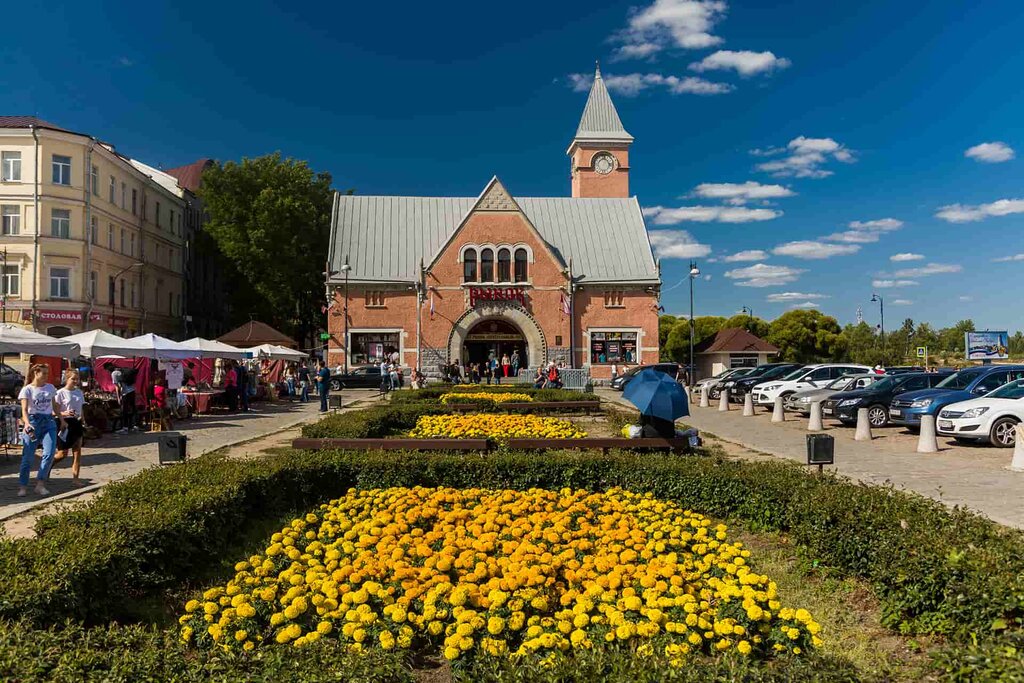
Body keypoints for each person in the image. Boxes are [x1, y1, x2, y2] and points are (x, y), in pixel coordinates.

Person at [17, 364, 65, 497]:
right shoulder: (27, 389)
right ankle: (23, 485)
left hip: (49, 422)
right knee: (28, 457)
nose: (46, 376)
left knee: (49, 453)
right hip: (33, 421)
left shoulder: (50, 387)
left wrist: (62, 419)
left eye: (47, 373)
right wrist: (27, 423)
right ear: (36, 373)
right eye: (43, 373)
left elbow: (54, 406)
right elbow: (24, 410)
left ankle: (40, 484)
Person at [54, 370, 87, 487]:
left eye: (77, 379)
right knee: (62, 453)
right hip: (64, 422)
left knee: (77, 451)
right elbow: (54, 411)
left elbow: (81, 408)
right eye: (73, 379)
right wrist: (65, 413)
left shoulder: (79, 392)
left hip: (76, 422)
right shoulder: (60, 393)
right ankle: (48, 466)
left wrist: (83, 420)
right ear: (67, 379)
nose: (75, 381)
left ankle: (76, 478)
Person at [108, 362, 138, 433]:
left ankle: (125, 428)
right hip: (132, 390)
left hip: (126, 393)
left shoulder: (114, 374)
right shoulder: (120, 370)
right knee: (132, 408)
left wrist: (119, 397)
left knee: (125, 410)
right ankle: (134, 426)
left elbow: (117, 387)